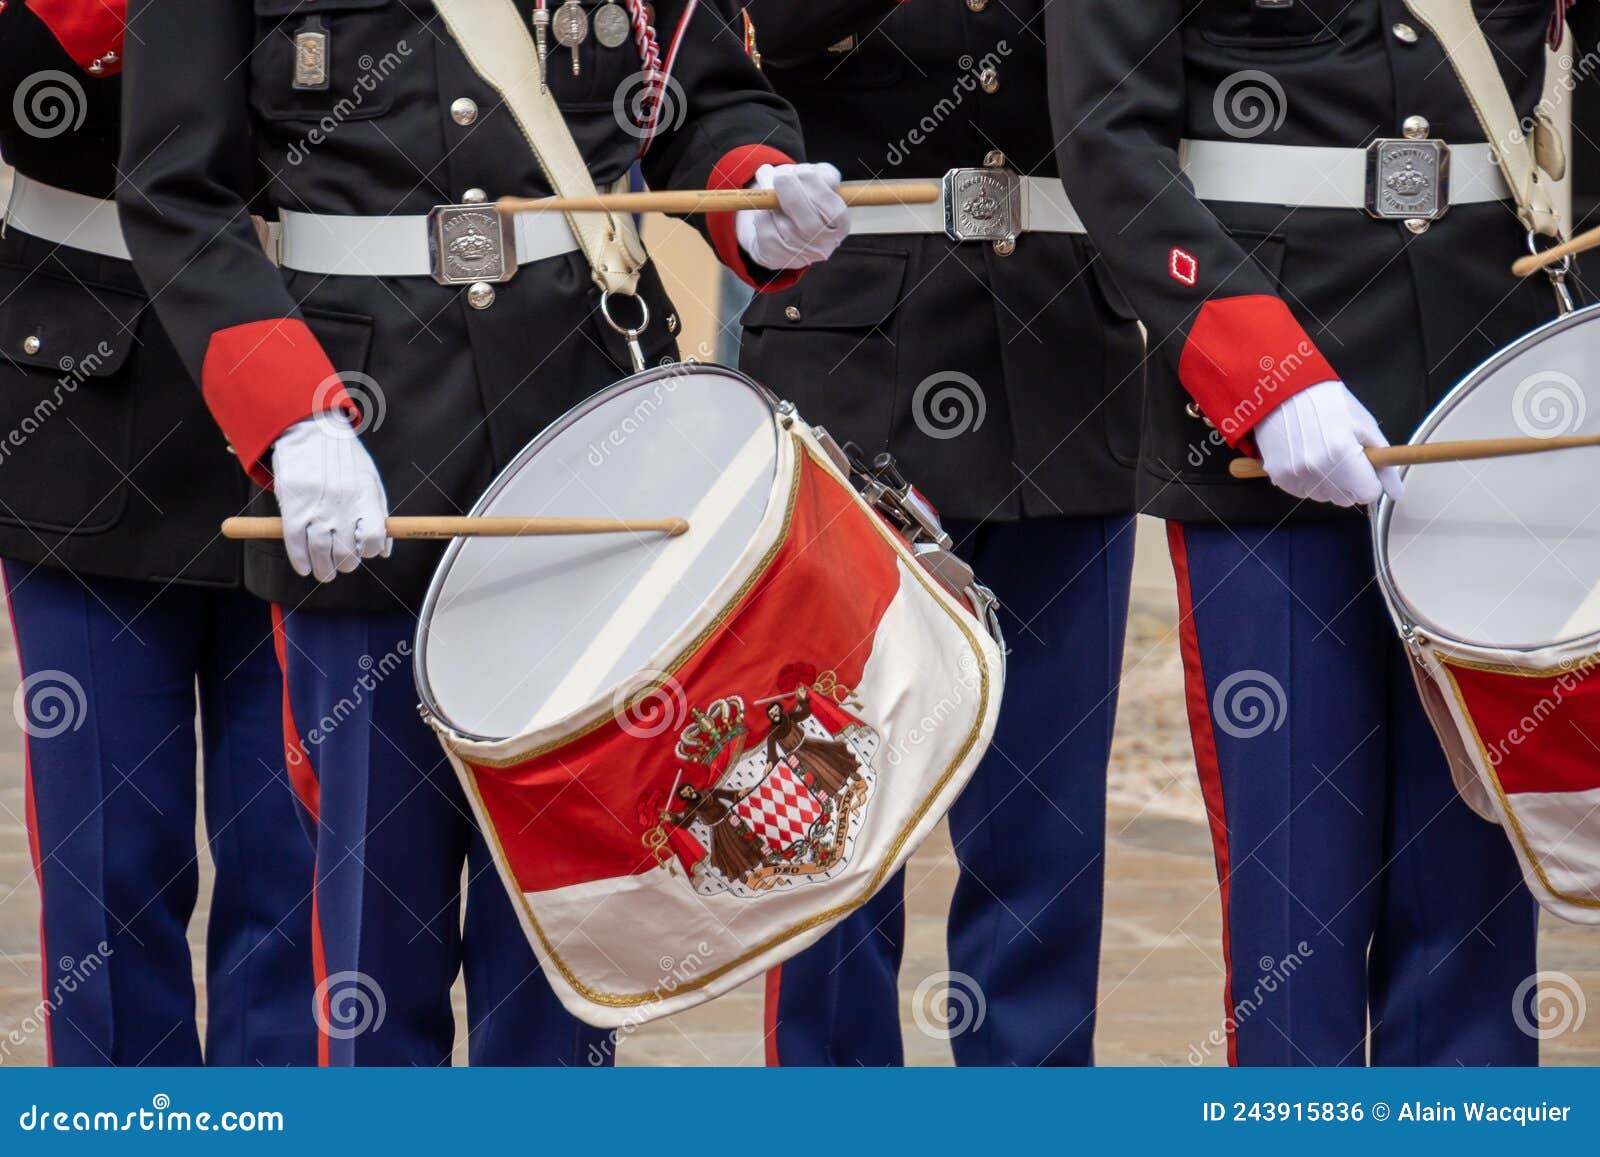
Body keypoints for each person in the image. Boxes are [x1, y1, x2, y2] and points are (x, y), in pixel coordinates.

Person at [116, 0, 845, 1065]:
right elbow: (177, 186)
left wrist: (752, 185)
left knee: (571, 925)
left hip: (582, 440)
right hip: (364, 443)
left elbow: (695, 88)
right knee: (374, 932)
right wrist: (288, 413)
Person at [1050, 0, 1597, 1064]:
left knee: (1475, 893)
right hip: (1273, 425)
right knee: (1294, 894)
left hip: (1495, 395)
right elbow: (1106, 136)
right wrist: (1256, 365)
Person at [739, 0, 1145, 1066]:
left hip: (1061, 352)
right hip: (853, 364)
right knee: (829, 815)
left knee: (1045, 827)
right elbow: (751, 42)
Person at [0, 0, 317, 1065]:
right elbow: (20, 87)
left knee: (301, 857)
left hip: (329, 390)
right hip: (92, 397)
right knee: (108, 864)